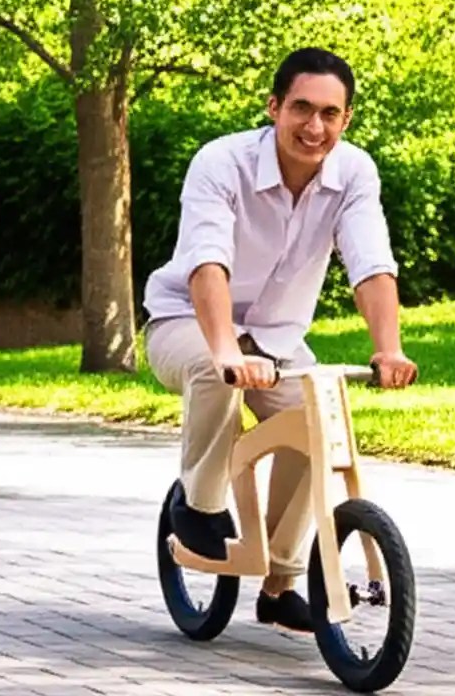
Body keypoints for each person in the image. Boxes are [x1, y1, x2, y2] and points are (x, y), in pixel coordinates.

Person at [142, 47, 418, 633]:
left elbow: (371, 262)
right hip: (184, 320)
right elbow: (207, 259)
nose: (314, 127)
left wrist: (388, 347)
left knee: (319, 425)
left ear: (345, 120)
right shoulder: (221, 163)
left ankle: (280, 582)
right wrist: (223, 349)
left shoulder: (355, 174)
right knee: (213, 374)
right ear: (274, 107)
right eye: (301, 108)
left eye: (329, 113)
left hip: (277, 340)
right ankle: (201, 505)